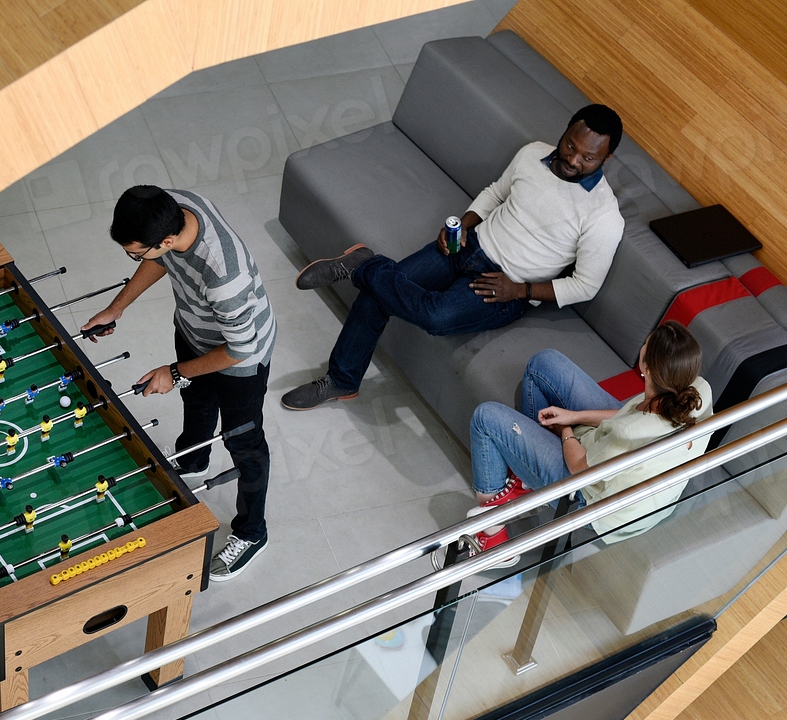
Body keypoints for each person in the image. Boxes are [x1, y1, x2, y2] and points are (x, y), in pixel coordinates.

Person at [283, 104, 626, 410]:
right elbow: (495, 193)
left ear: (606, 158)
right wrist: (463, 225)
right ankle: (342, 379)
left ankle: (364, 266)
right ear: (564, 132)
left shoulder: (603, 215)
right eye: (570, 145)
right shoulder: (533, 154)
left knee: (437, 318)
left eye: (588, 157)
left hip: (504, 286)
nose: (573, 159)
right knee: (378, 295)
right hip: (469, 244)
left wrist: (520, 291)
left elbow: (586, 285)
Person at [82, 186, 276, 581]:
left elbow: (240, 350)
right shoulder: (171, 206)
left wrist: (173, 372)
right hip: (193, 329)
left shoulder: (225, 276)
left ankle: (253, 533)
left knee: (245, 443)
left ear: (167, 240)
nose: (135, 258)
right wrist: (116, 307)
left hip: (242, 358)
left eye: (135, 252)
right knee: (197, 400)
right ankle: (192, 460)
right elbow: (161, 260)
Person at [467, 321, 712, 560]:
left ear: (647, 367)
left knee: (484, 418)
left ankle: (491, 535)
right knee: (543, 364)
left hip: (591, 496)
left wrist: (566, 429)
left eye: (646, 342)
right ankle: (529, 479)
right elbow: (628, 418)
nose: (644, 343)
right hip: (616, 459)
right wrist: (574, 415)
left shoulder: (627, 434)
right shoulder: (693, 394)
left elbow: (580, 467)